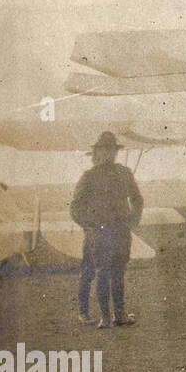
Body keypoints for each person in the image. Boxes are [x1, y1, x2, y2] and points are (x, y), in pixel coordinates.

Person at [70, 132, 143, 328]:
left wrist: (133, 221)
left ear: (115, 152)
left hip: (121, 230)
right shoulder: (89, 177)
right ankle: (105, 317)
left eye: (111, 149)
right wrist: (90, 225)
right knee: (101, 273)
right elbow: (75, 207)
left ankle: (120, 314)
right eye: (104, 149)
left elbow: (137, 198)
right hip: (100, 233)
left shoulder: (124, 173)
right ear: (97, 152)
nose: (108, 153)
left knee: (118, 273)